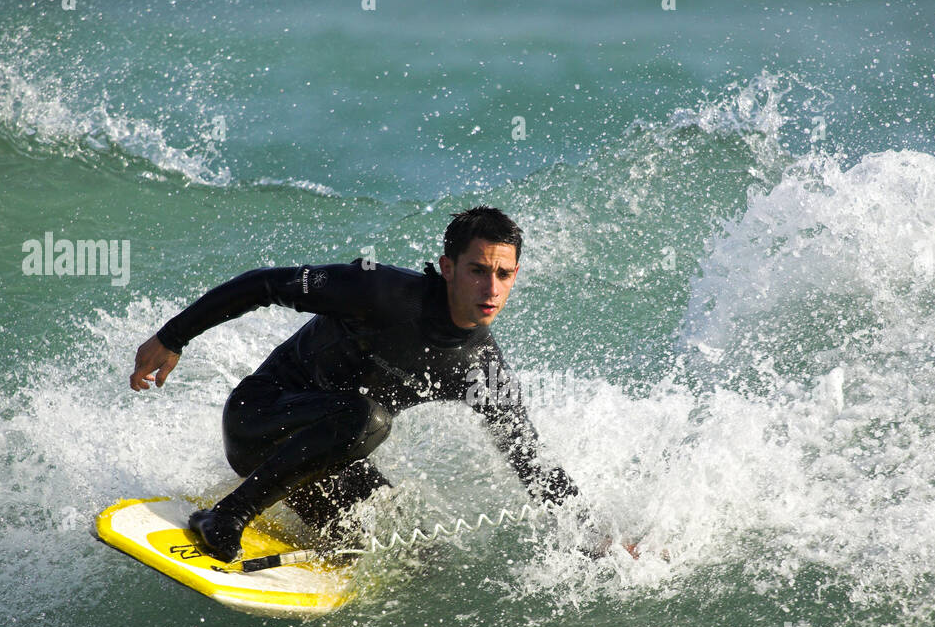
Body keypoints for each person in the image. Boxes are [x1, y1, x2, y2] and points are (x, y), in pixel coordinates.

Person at [130, 207, 625, 562]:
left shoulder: (480, 369)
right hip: (258, 423)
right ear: (449, 267)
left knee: (412, 544)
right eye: (477, 271)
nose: (490, 289)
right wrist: (173, 338)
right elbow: (265, 284)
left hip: (316, 462)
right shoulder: (380, 291)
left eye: (503, 274)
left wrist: (600, 542)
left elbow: (530, 461)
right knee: (367, 419)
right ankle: (226, 515)